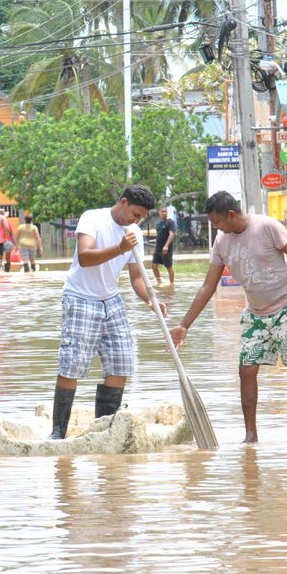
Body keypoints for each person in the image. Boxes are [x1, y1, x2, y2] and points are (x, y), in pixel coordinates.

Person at [170, 191, 287, 443]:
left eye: (217, 222)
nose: (216, 228)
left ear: (230, 214)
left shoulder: (268, 227)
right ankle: (251, 436)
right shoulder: (221, 242)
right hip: (256, 313)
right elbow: (208, 286)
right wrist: (184, 324)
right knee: (246, 370)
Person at [49, 184, 168, 440]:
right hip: (80, 297)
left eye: (141, 217)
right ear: (123, 202)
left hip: (111, 299)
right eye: (135, 214)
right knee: (72, 365)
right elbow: (85, 257)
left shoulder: (133, 231)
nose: (136, 220)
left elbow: (136, 277)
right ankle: (58, 432)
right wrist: (119, 248)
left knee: (122, 363)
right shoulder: (92, 218)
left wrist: (151, 300)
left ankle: (104, 430)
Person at [151, 207, 177, 286]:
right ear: (159, 212)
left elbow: (172, 234)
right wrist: (155, 249)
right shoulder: (158, 225)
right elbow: (158, 237)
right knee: (154, 266)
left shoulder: (170, 222)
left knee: (169, 267)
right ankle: (159, 282)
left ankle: (172, 284)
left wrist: (166, 246)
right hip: (158, 249)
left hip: (166, 249)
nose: (164, 213)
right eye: (162, 211)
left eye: (165, 212)